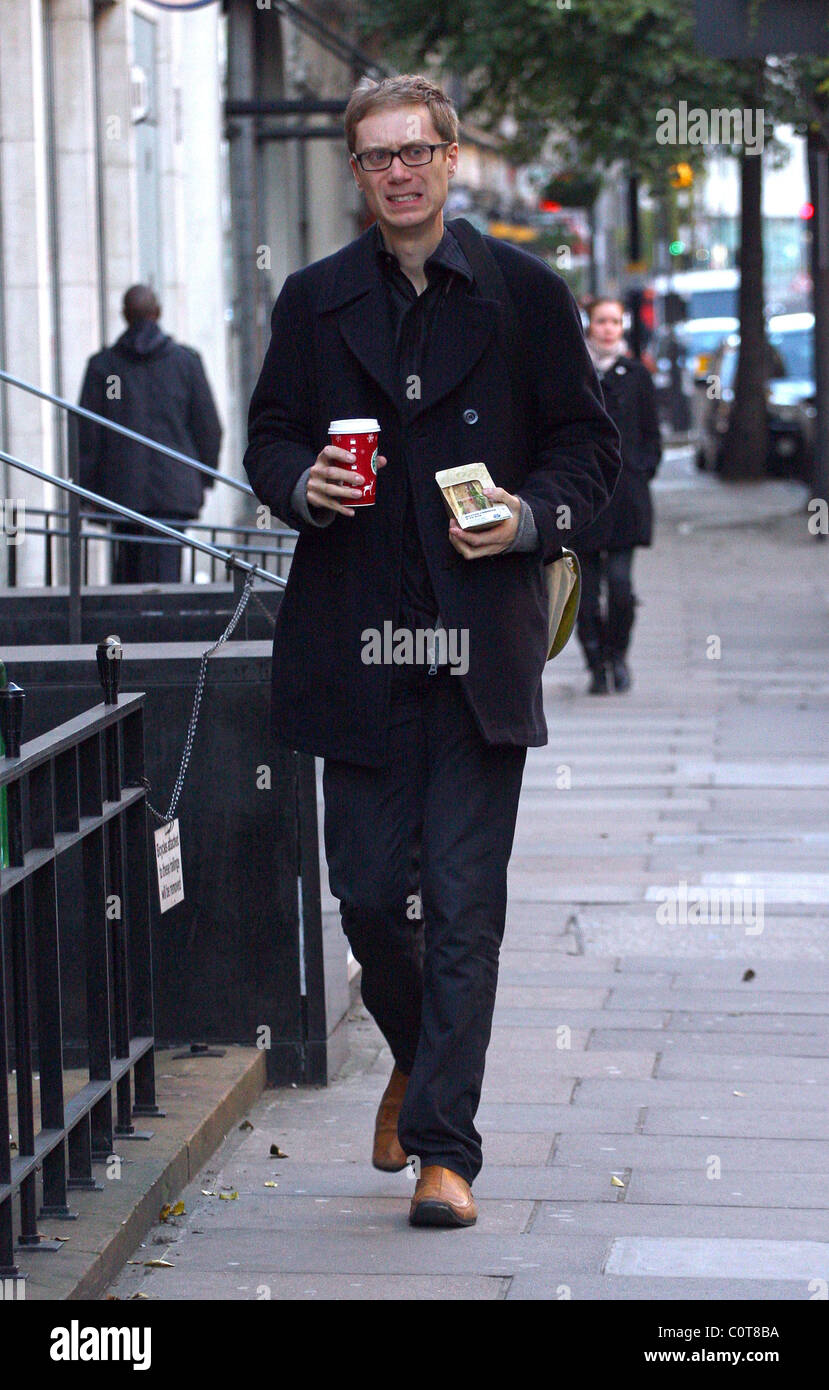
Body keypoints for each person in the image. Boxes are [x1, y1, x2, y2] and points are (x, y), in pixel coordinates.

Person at [243, 74, 620, 1228]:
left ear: (450, 159)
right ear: (357, 174)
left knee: (463, 903)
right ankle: (414, 1059)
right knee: (366, 898)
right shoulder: (313, 301)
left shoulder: (523, 293)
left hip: (475, 651)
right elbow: (268, 434)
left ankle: (445, 1150)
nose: (397, 171)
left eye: (415, 151)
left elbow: (584, 452)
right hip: (355, 647)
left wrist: (527, 517)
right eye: (374, 157)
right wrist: (298, 483)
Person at [77, 285, 221, 583]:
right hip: (174, 491)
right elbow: (208, 427)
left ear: (124, 316)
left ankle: (127, 630)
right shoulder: (186, 363)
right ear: (158, 313)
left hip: (121, 491)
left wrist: (88, 489)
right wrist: (202, 477)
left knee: (128, 579)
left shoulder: (103, 367)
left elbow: (88, 435)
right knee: (167, 579)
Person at [570, 296, 662, 694]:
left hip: (625, 501)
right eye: (602, 321)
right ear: (589, 325)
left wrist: (640, 471)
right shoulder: (574, 371)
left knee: (621, 589)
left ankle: (618, 655)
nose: (609, 328)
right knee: (585, 598)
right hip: (583, 501)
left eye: (615, 321)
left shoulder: (636, 374)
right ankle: (596, 664)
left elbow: (651, 434)